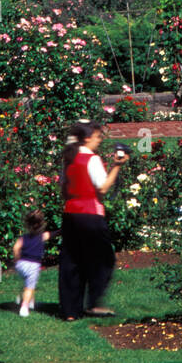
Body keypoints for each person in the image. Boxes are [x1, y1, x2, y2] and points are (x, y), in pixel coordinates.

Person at [58, 120, 127, 321]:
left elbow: (63, 187)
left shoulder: (69, 159)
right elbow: (103, 188)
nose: (99, 140)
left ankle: (70, 310)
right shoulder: (92, 159)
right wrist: (116, 166)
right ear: (87, 138)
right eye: (97, 136)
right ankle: (94, 303)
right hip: (90, 214)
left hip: (71, 213)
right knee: (103, 259)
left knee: (72, 261)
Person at [11, 208, 54, 318]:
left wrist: (17, 259)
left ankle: (29, 301)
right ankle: (24, 307)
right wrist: (61, 231)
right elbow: (52, 234)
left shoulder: (23, 238)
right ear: (41, 224)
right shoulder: (42, 236)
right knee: (30, 287)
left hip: (21, 264)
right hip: (33, 265)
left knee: (26, 284)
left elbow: (16, 248)